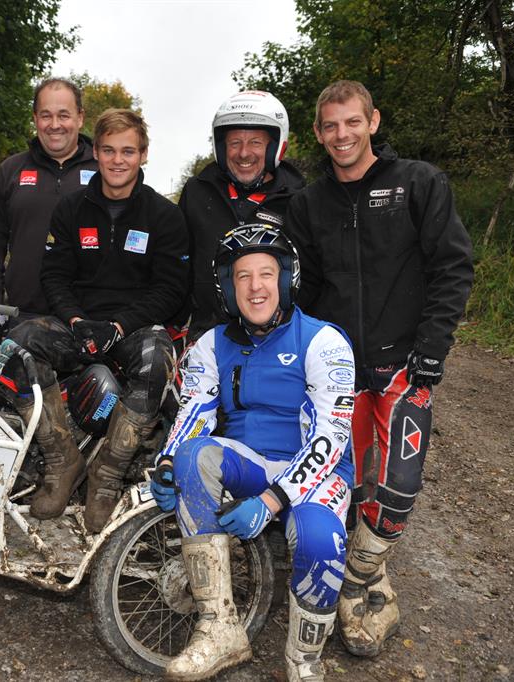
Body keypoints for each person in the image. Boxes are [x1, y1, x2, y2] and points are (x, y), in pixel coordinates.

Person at [284, 80, 474, 658]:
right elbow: (304, 289)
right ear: (318, 134)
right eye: (331, 125)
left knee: (397, 484)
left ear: (373, 122)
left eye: (352, 122)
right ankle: (341, 572)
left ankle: (366, 578)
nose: (342, 134)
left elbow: (453, 267)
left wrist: (434, 346)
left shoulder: (419, 182)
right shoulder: (308, 204)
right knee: (335, 480)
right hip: (339, 367)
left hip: (404, 364)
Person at [151, 224, 354, 682]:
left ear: (285, 280)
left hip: (317, 473)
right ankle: (220, 628)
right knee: (192, 456)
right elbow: (194, 413)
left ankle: (304, 661)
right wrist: (166, 463)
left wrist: (273, 500)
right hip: (251, 460)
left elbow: (331, 439)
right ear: (228, 287)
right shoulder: (211, 343)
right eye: (243, 276)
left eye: (266, 273)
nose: (256, 286)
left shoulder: (326, 341)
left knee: (319, 540)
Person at [7, 109, 189, 533]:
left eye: (128, 151)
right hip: (78, 323)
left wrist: (119, 326)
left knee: (157, 358)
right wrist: (74, 319)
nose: (118, 160)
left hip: (134, 327)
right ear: (97, 153)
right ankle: (61, 459)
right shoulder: (71, 208)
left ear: (144, 154)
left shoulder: (165, 215)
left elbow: (170, 290)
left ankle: (107, 475)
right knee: (16, 344)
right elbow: (53, 274)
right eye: (108, 150)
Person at [179, 90, 305, 341]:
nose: (244, 153)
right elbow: (178, 266)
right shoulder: (196, 192)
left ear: (275, 148)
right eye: (235, 143)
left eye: (256, 143)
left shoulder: (299, 200)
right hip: (208, 336)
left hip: (281, 339)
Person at [0, 77, 98, 326]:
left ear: (80, 117)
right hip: (22, 318)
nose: (55, 125)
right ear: (35, 118)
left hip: (90, 321)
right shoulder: (11, 170)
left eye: (64, 115)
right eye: (46, 115)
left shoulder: (105, 170)